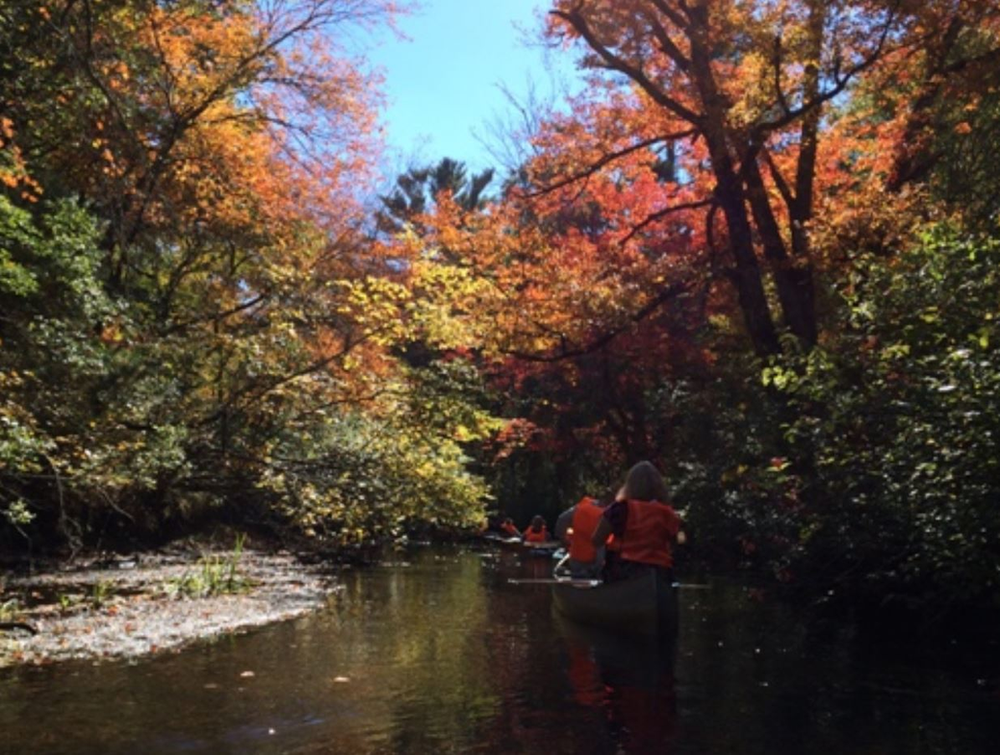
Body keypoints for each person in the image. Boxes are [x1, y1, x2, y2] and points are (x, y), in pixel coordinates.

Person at [591, 461, 684, 584]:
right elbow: (677, 542)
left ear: (629, 485)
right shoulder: (668, 513)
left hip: (624, 570)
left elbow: (597, 539)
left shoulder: (619, 509)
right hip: (660, 572)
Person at [555, 495, 615, 578]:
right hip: (593, 563)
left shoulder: (582, 506)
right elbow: (600, 547)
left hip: (575, 559)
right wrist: (596, 568)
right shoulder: (606, 516)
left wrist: (563, 539)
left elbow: (561, 519)